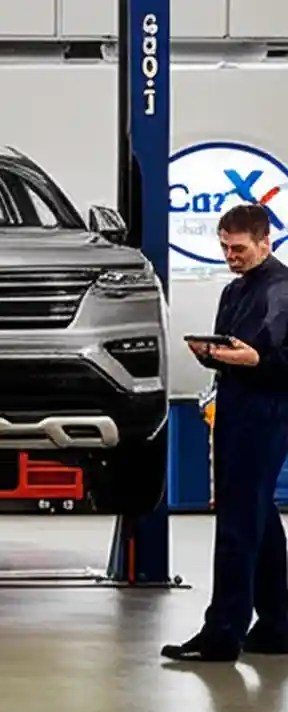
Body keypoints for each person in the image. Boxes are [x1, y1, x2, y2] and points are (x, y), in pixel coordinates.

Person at [164, 203, 288, 662]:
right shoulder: (235, 292)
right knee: (260, 515)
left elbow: (274, 357)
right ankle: (278, 624)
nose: (230, 255)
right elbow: (231, 348)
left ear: (264, 242)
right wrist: (211, 354)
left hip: (266, 410)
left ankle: (223, 632)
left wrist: (256, 361)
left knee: (238, 520)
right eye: (224, 247)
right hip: (237, 405)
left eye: (238, 248)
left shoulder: (281, 291)